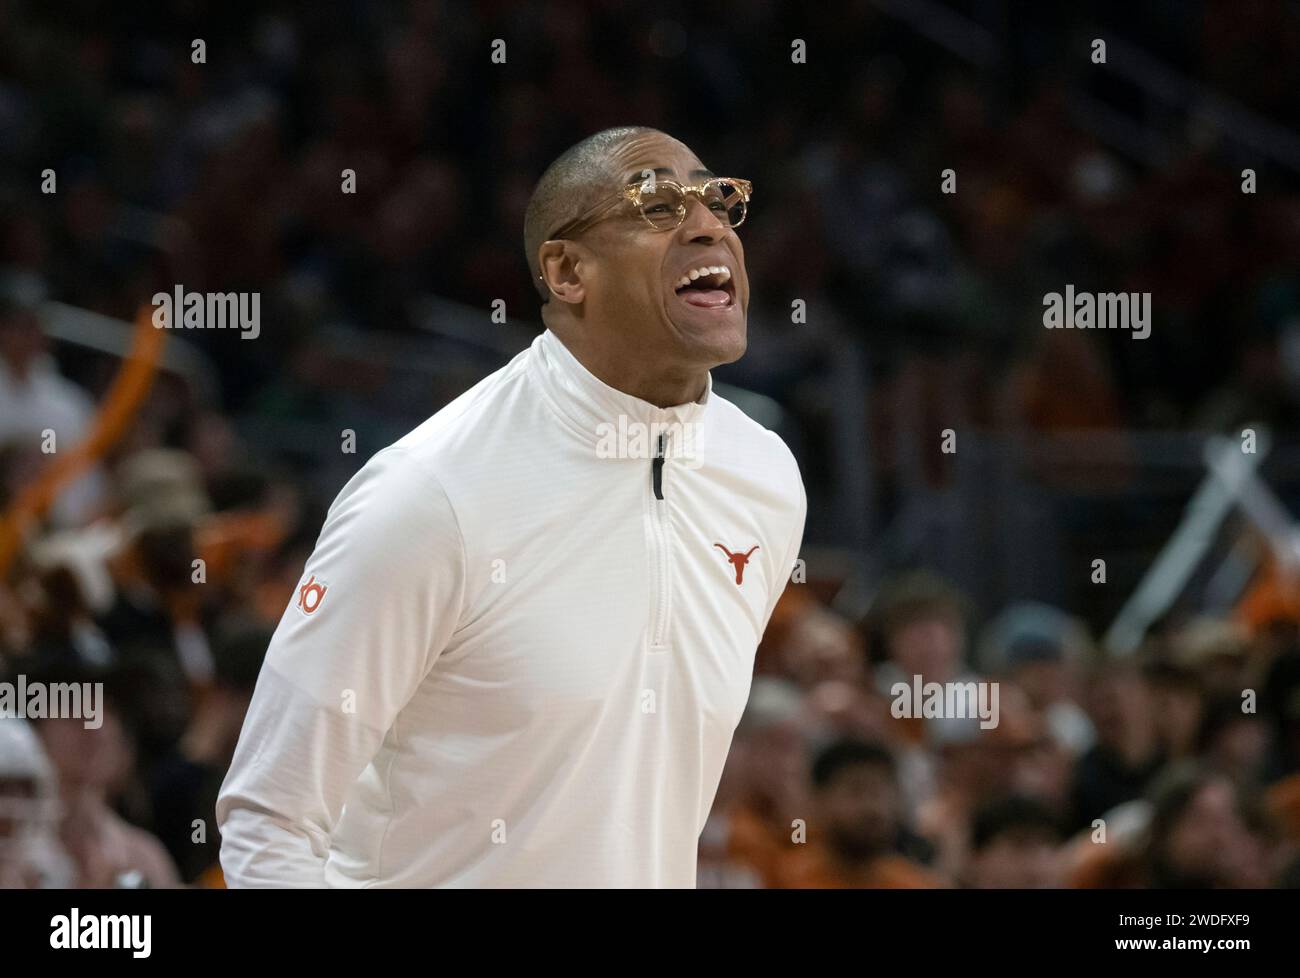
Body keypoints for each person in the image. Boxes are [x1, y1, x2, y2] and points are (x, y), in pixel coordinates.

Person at [217, 126, 806, 887]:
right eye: (657, 205)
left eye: (719, 201)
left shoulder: (764, 476)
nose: (707, 226)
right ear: (566, 272)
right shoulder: (429, 495)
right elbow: (270, 821)